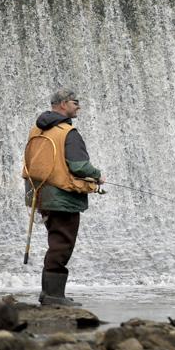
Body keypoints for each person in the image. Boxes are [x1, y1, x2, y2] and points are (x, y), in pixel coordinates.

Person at [22, 88, 103, 308]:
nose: (79, 106)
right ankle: (53, 296)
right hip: (62, 197)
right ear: (63, 104)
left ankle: (47, 292)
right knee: (62, 244)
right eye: (76, 102)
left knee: (55, 240)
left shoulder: (37, 129)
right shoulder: (68, 132)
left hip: (40, 193)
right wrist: (97, 175)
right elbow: (79, 166)